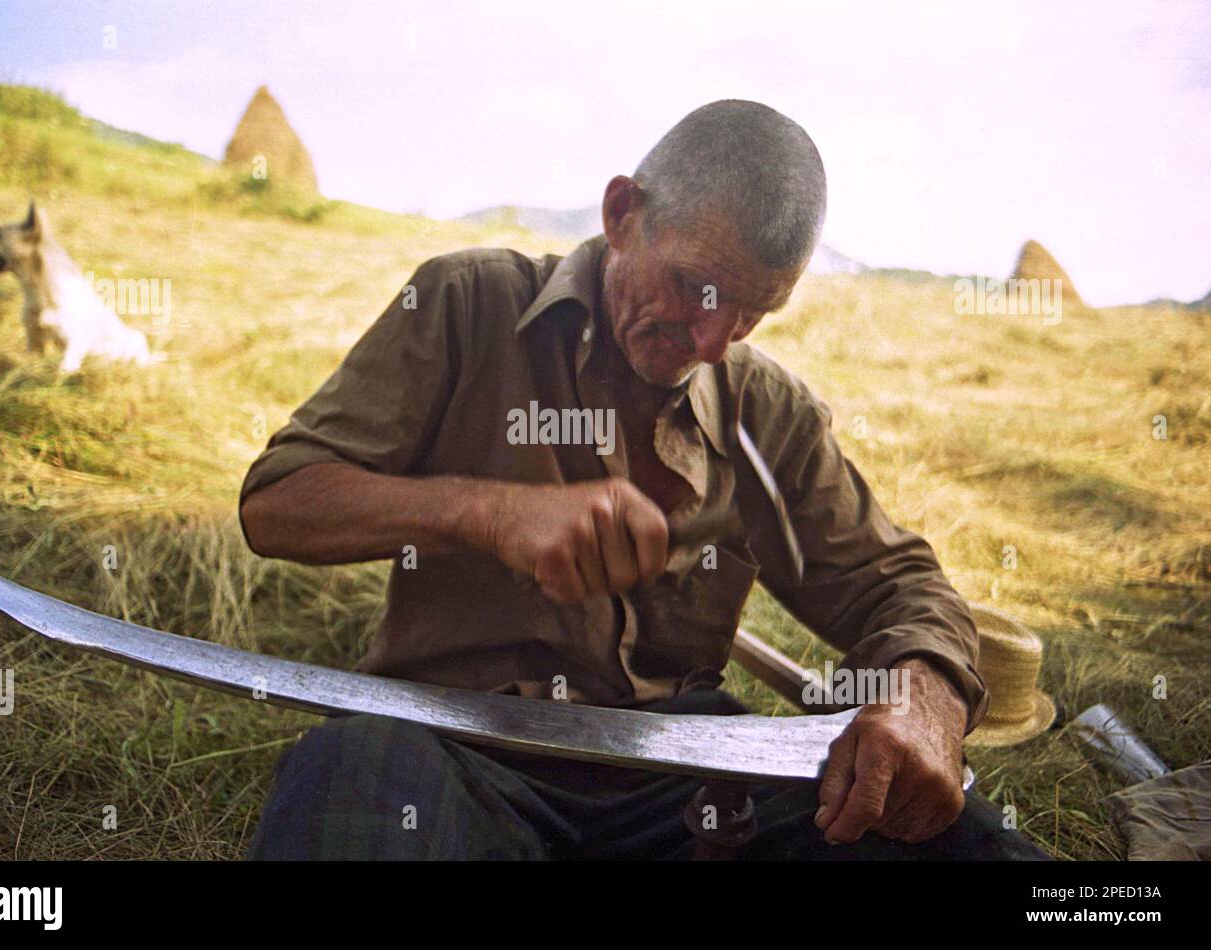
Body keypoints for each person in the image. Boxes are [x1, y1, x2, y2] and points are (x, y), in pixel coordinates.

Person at [238, 100, 1050, 860]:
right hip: (455, 744)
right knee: (348, 773)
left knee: (939, 831)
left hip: (680, 770)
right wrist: (487, 512)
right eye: (696, 289)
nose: (710, 339)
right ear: (623, 212)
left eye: (752, 312)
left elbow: (897, 582)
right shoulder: (465, 302)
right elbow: (279, 501)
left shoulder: (764, 410)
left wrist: (927, 694)